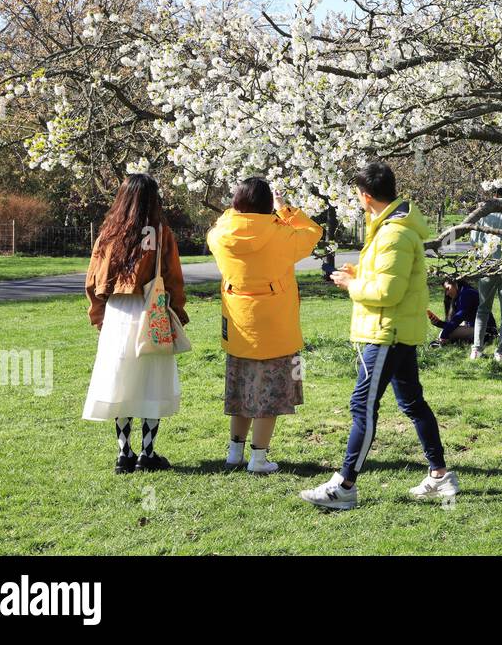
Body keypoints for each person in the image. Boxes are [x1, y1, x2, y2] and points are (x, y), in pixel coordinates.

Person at [299, 162, 458, 510]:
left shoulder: (392, 234)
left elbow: (387, 293)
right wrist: (361, 272)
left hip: (386, 333)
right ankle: (439, 475)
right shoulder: (390, 227)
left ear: (365, 195)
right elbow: (390, 278)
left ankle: (345, 485)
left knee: (363, 406)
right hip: (395, 330)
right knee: (412, 403)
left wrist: (351, 283)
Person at [207, 177, 322, 474]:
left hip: (238, 322)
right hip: (274, 324)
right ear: (267, 204)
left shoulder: (220, 235)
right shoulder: (280, 235)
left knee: (241, 386)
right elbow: (312, 232)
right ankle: (258, 458)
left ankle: (235, 452)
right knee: (269, 391)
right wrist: (285, 210)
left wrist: (235, 212)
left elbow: (222, 223)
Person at [82, 174, 188, 474]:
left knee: (122, 381)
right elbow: (172, 276)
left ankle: (123, 453)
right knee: (151, 382)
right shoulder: (160, 232)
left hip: (117, 311)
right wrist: (178, 312)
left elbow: (93, 278)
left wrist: (98, 314)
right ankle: (147, 452)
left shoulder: (110, 232)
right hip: (150, 309)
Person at [470, 188, 502, 363]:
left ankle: (476, 349)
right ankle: (501, 353)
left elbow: (474, 240)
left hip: (488, 266)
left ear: (494, 195)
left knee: (483, 309)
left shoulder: (485, 214)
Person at [429, 278, 482, 345]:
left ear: (455, 283)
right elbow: (454, 322)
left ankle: (441, 343)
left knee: (447, 332)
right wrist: (439, 323)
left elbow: (459, 318)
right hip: (474, 327)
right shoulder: (461, 294)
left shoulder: (467, 293)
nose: (447, 293)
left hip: (486, 330)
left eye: (448, 289)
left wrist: (443, 336)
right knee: (449, 330)